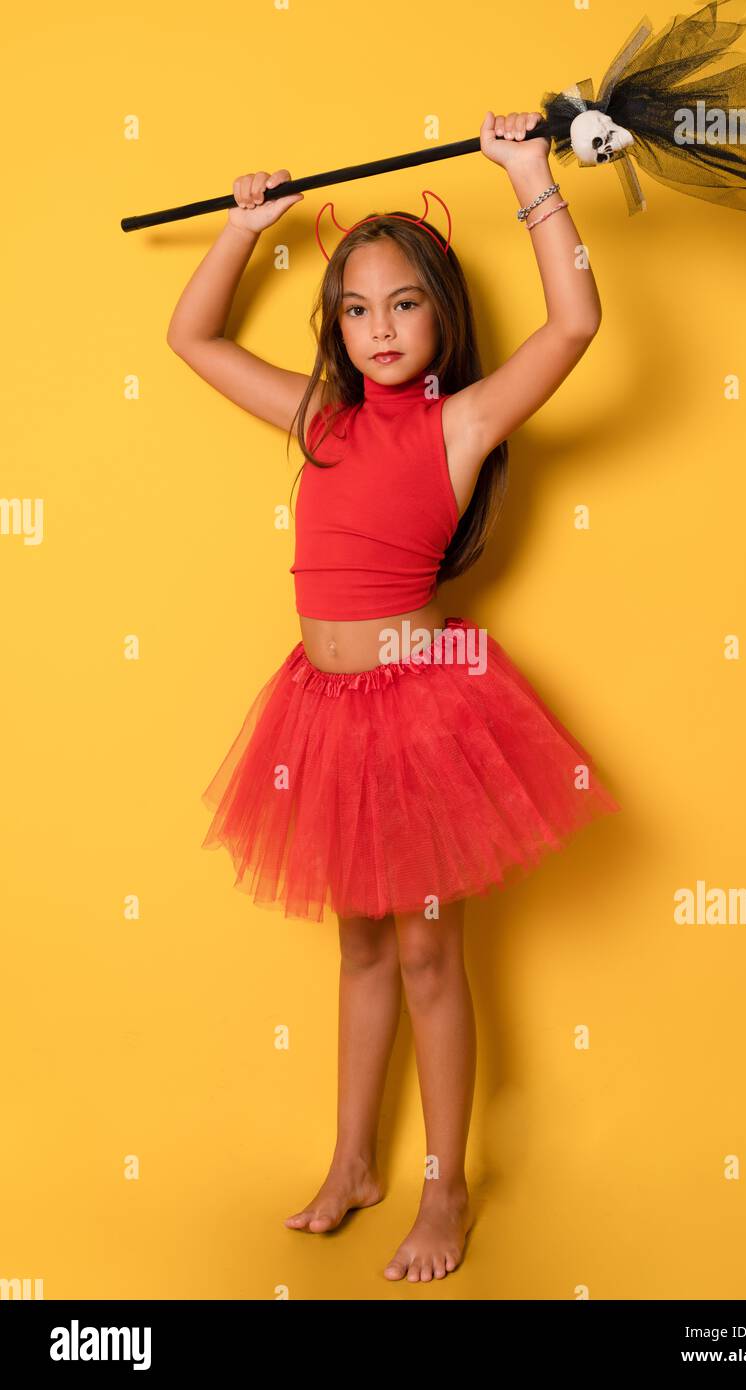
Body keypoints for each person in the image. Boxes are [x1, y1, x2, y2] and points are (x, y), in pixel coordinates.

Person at [167, 110, 620, 1283]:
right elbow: (192, 337)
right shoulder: (318, 420)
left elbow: (576, 321)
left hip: (422, 711)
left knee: (427, 957)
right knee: (359, 950)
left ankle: (446, 1188)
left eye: (403, 304)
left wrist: (530, 177)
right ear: (334, 328)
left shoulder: (459, 423)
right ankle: (352, 1163)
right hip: (320, 711)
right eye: (356, 309)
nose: (378, 328)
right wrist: (241, 230)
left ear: (441, 317)